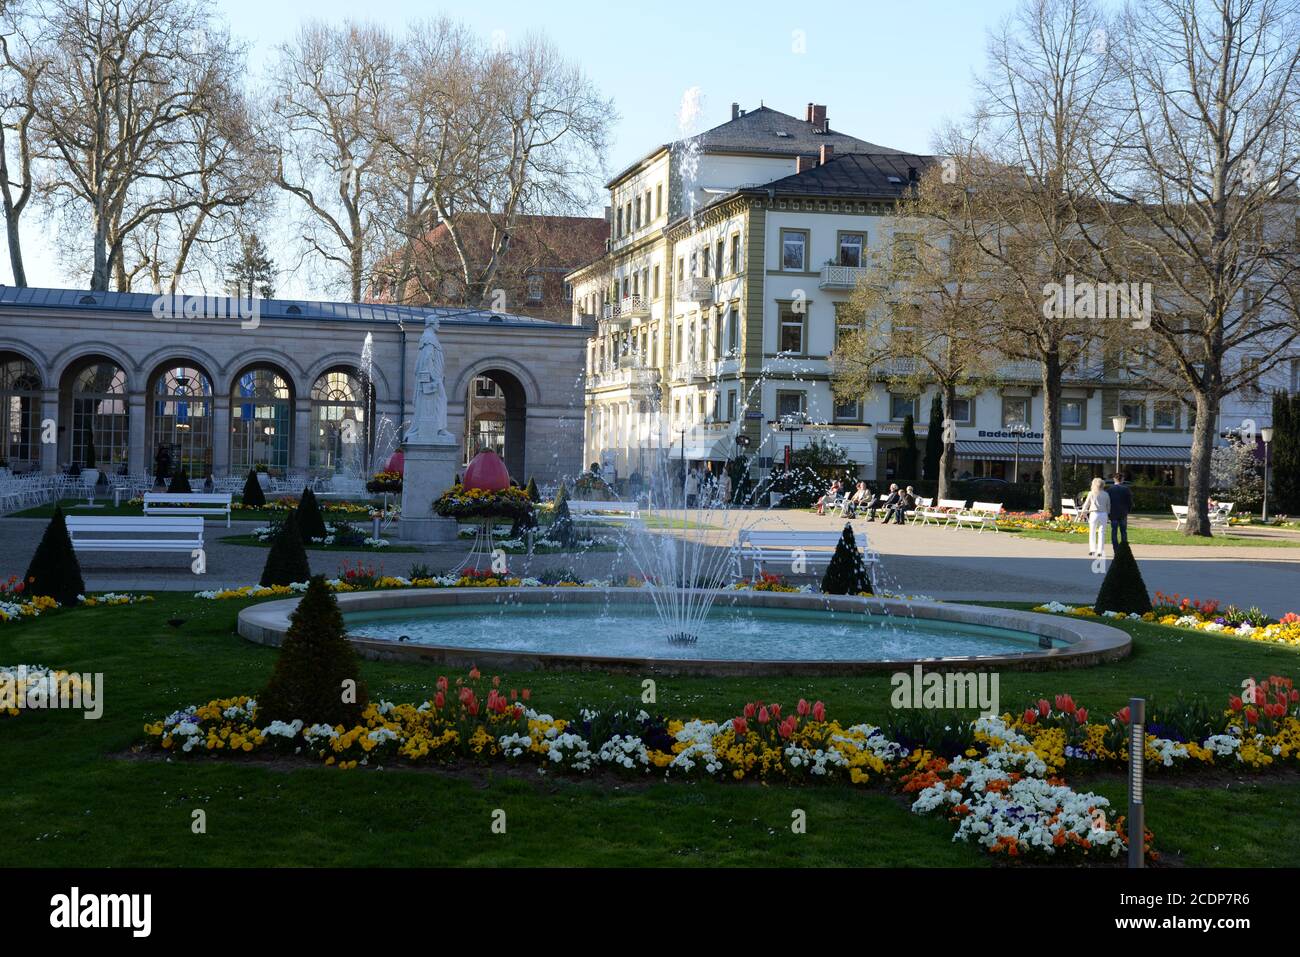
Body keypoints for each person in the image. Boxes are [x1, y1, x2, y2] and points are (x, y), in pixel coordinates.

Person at [1081, 477, 1111, 557]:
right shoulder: (1106, 494)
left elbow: (1087, 503)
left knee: (1092, 532)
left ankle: (1092, 549)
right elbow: (1108, 506)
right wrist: (1108, 514)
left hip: (1094, 513)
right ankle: (1100, 551)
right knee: (1102, 533)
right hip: (1103, 514)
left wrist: (1083, 512)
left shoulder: (1091, 493)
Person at [1107, 472, 1133, 548]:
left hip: (1113, 513)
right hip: (1123, 513)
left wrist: (1108, 512)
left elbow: (1107, 502)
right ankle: (1124, 548)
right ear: (1122, 479)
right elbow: (1130, 502)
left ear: (1114, 479)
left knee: (1114, 531)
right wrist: (1129, 510)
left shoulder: (1109, 490)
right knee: (1123, 532)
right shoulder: (1126, 489)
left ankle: (1116, 548)